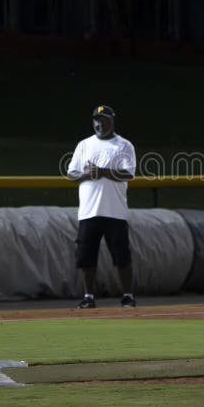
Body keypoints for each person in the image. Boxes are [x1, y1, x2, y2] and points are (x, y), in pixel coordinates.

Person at [67, 105, 137, 308]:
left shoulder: (124, 145)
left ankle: (128, 295)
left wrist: (104, 172)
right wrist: (88, 175)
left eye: (104, 120)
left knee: (121, 255)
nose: (99, 124)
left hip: (115, 211)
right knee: (86, 256)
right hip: (89, 211)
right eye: (96, 120)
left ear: (112, 121)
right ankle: (88, 297)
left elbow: (129, 173)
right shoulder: (84, 145)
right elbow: (72, 173)